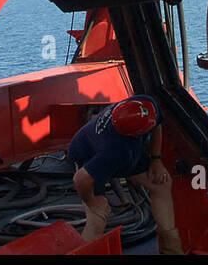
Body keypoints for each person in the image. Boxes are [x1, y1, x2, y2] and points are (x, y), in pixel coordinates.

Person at [68, 94, 181, 254]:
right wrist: (92, 201)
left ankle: (172, 249)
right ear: (136, 135)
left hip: (121, 152)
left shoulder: (146, 104)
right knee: (98, 219)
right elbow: (80, 179)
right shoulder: (114, 151)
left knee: (161, 183)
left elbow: (156, 125)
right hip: (87, 157)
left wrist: (156, 160)